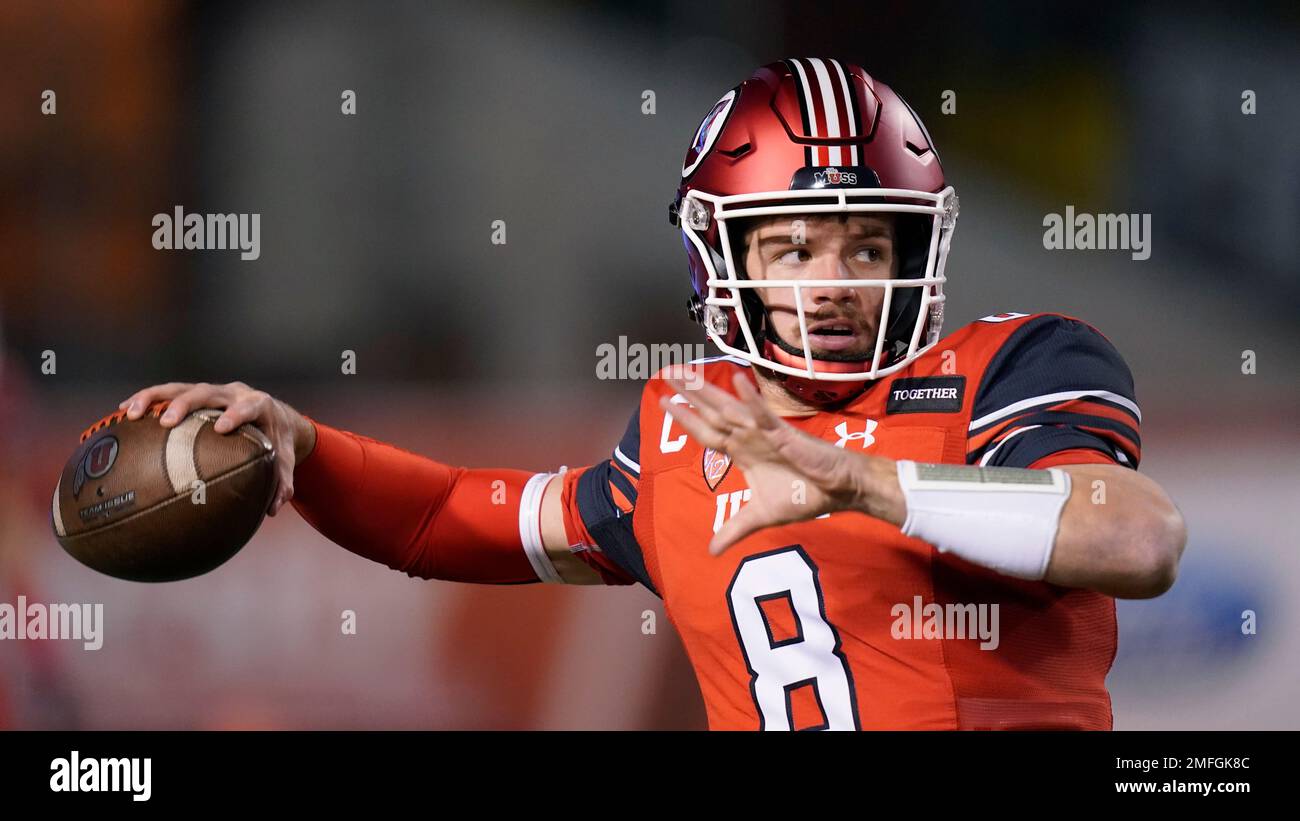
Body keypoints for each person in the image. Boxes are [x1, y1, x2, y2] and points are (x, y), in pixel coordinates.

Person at [117, 59, 1185, 730]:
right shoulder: (690, 426)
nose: (837, 280)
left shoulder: (1011, 362)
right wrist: (305, 444)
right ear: (722, 260)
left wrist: (858, 480)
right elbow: (449, 516)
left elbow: (1135, 540)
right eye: (793, 246)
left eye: (869, 242)